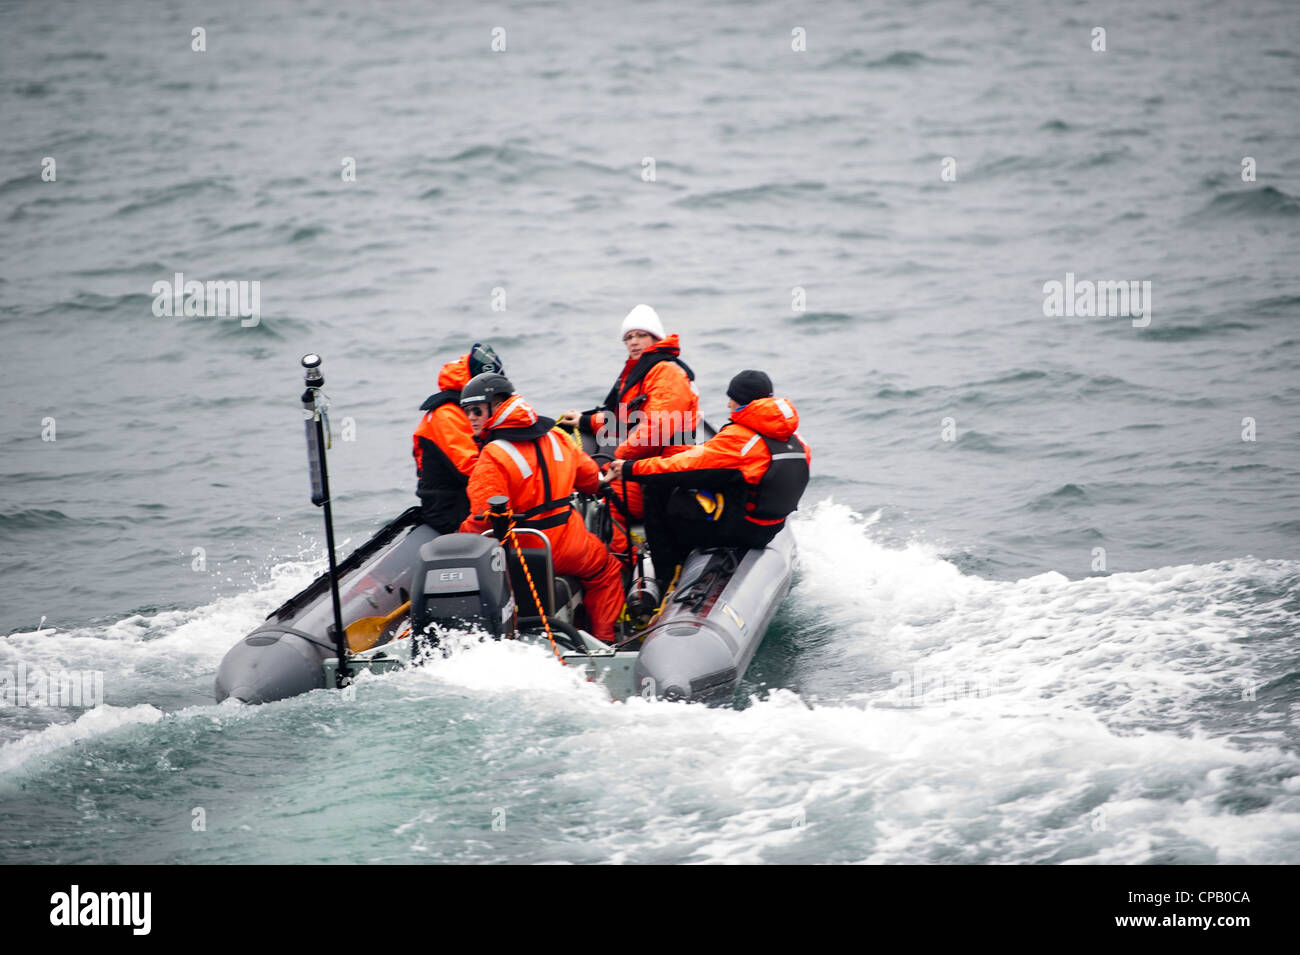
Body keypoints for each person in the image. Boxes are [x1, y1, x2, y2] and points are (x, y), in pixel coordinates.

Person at [458, 372, 625, 643]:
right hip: (571, 544)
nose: (472, 418)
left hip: (522, 552)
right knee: (606, 570)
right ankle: (604, 642)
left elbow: (482, 519)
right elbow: (590, 480)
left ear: (497, 405)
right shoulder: (557, 438)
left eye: (476, 410)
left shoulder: (492, 455)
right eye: (467, 412)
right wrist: (603, 482)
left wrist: (459, 540)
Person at [607, 370, 810, 583]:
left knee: (657, 490)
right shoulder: (797, 439)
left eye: (731, 398)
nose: (728, 405)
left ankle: (666, 576)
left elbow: (682, 467)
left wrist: (629, 468)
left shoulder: (739, 438)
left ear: (741, 401)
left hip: (737, 531)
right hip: (771, 528)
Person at [557, 304, 699, 557]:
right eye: (628, 338)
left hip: (666, 468)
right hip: (646, 463)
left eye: (640, 335)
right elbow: (627, 421)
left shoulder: (666, 373)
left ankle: (620, 565)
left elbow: (657, 429)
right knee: (588, 488)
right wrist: (587, 421)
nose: (633, 342)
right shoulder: (645, 371)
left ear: (656, 338)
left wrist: (619, 461)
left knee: (610, 501)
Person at [411, 343, 504, 533]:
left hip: (470, 501)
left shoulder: (470, 407)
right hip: (450, 512)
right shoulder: (446, 415)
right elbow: (471, 469)